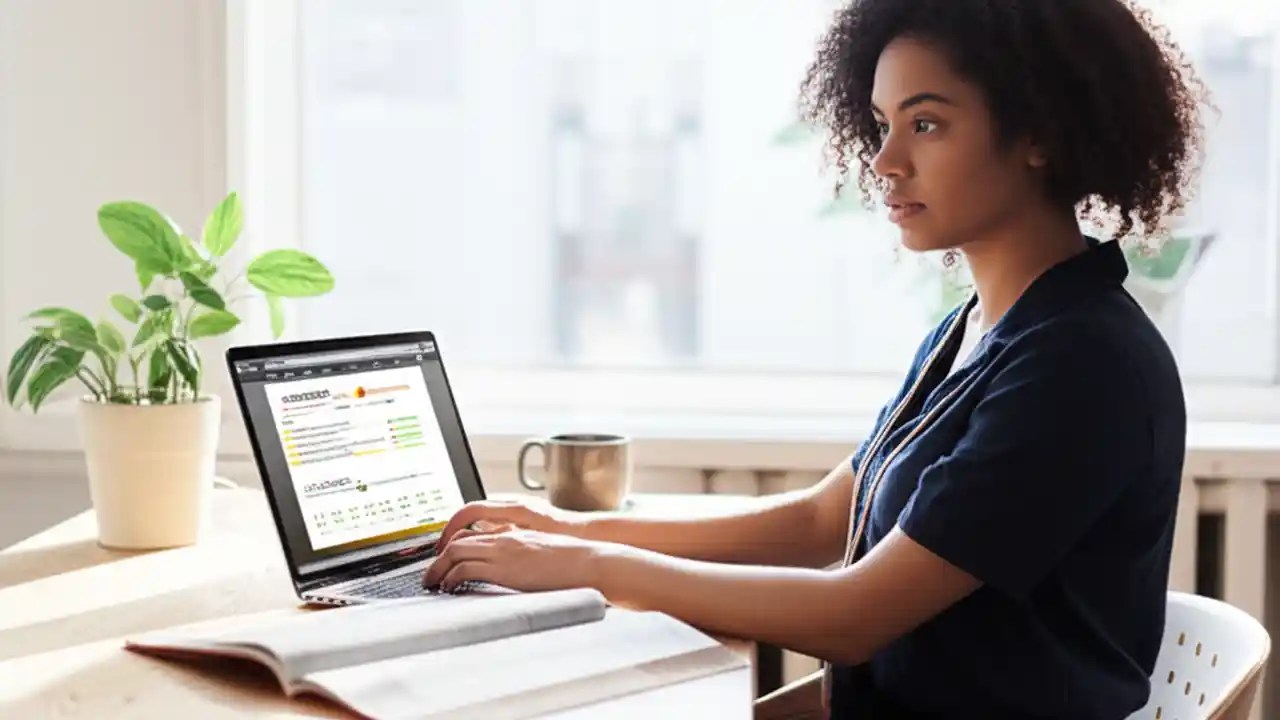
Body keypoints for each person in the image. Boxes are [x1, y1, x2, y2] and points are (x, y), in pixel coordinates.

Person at [423, 0, 1207, 716]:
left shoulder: (1079, 365)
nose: (885, 161)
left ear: (1040, 132)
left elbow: (854, 615)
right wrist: (558, 532)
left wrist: (584, 565)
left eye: (926, 124)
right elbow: (825, 519)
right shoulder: (978, 329)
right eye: (881, 123)